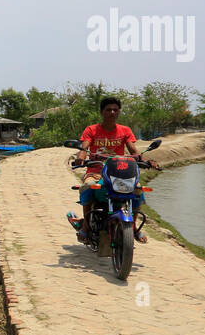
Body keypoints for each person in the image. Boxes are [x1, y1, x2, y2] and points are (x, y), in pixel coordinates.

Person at [68, 97, 160, 243]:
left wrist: (146, 161)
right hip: (96, 171)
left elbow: (133, 151)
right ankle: (85, 226)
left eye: (115, 110)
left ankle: (134, 227)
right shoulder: (91, 130)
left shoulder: (125, 131)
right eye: (108, 110)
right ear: (102, 112)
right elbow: (84, 147)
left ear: (119, 112)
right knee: (87, 187)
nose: (112, 112)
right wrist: (81, 156)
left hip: (119, 173)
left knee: (137, 190)